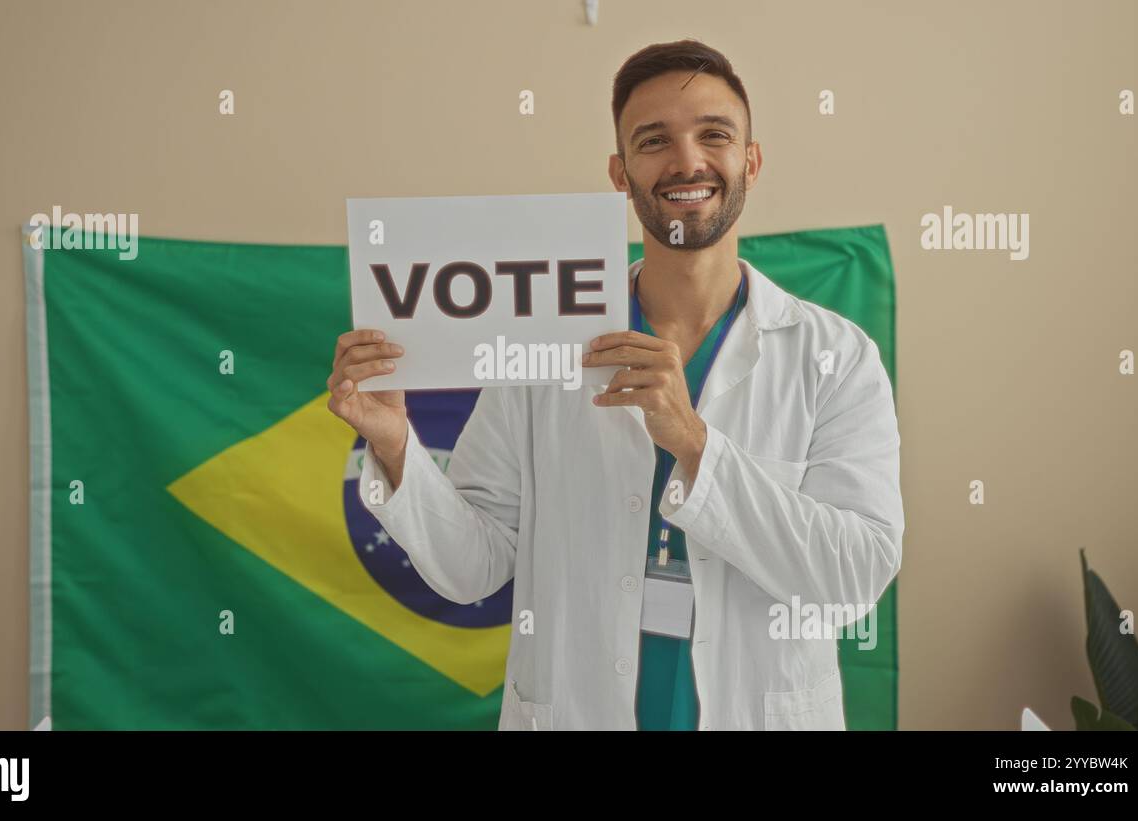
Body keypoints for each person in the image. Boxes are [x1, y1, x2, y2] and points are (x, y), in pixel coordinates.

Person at [327, 39, 904, 730]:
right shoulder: (546, 339)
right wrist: (395, 446)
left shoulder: (836, 356)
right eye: (654, 140)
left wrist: (694, 445)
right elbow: (474, 567)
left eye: (713, 135)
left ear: (751, 159)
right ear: (619, 173)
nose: (686, 161)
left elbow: (854, 578)